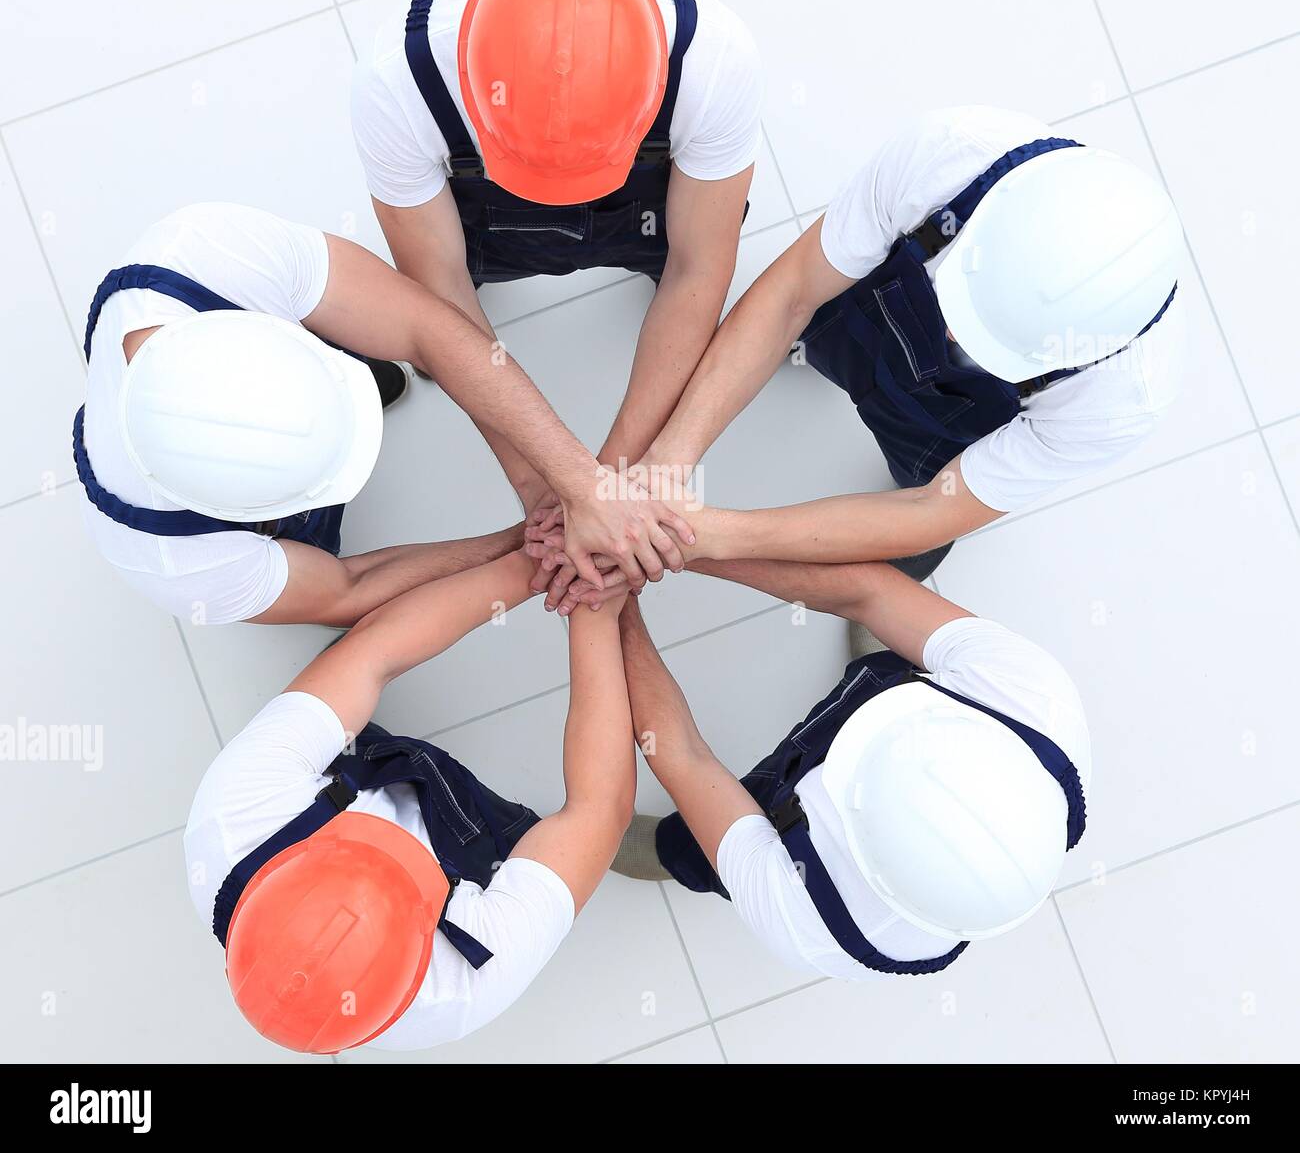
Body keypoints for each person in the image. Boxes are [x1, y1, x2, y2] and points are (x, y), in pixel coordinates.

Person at [622, 105, 1184, 630]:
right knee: (803, 334)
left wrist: (712, 535)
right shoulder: (950, 159)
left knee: (908, 544)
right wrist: (669, 461)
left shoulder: (1122, 400)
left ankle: (881, 612)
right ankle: (803, 355)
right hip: (854, 322)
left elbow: (931, 506)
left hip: (941, 445)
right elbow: (793, 294)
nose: (953, 336)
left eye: (993, 342)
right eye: (966, 301)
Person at [74, 201, 692, 627]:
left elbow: (429, 330)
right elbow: (349, 588)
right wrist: (525, 541)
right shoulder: (179, 564)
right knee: (311, 585)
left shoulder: (204, 256)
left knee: (397, 326)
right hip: (254, 533)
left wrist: (570, 483)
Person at [351, 0, 761, 518]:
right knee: (440, 321)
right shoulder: (398, 85)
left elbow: (698, 264)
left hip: (647, 219)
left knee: (682, 279)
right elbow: (438, 283)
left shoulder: (714, 60)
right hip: (488, 234)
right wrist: (543, 484)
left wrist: (613, 477)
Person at [184, 544, 635, 1053]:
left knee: (357, 661)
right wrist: (596, 603)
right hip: (471, 863)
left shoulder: (235, 816)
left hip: (345, 778)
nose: (398, 849)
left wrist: (537, 568)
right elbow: (600, 808)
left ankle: (334, 707)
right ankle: (556, 863)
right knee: (578, 839)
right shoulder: (463, 983)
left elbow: (374, 652)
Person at [609, 556, 1089, 980]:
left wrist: (618, 607)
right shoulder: (1033, 700)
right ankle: (886, 657)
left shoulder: (806, 919)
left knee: (705, 846)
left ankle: (673, 851)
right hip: (899, 691)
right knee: (889, 637)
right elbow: (868, 592)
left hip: (782, 816)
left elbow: (684, 755)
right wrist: (675, 548)